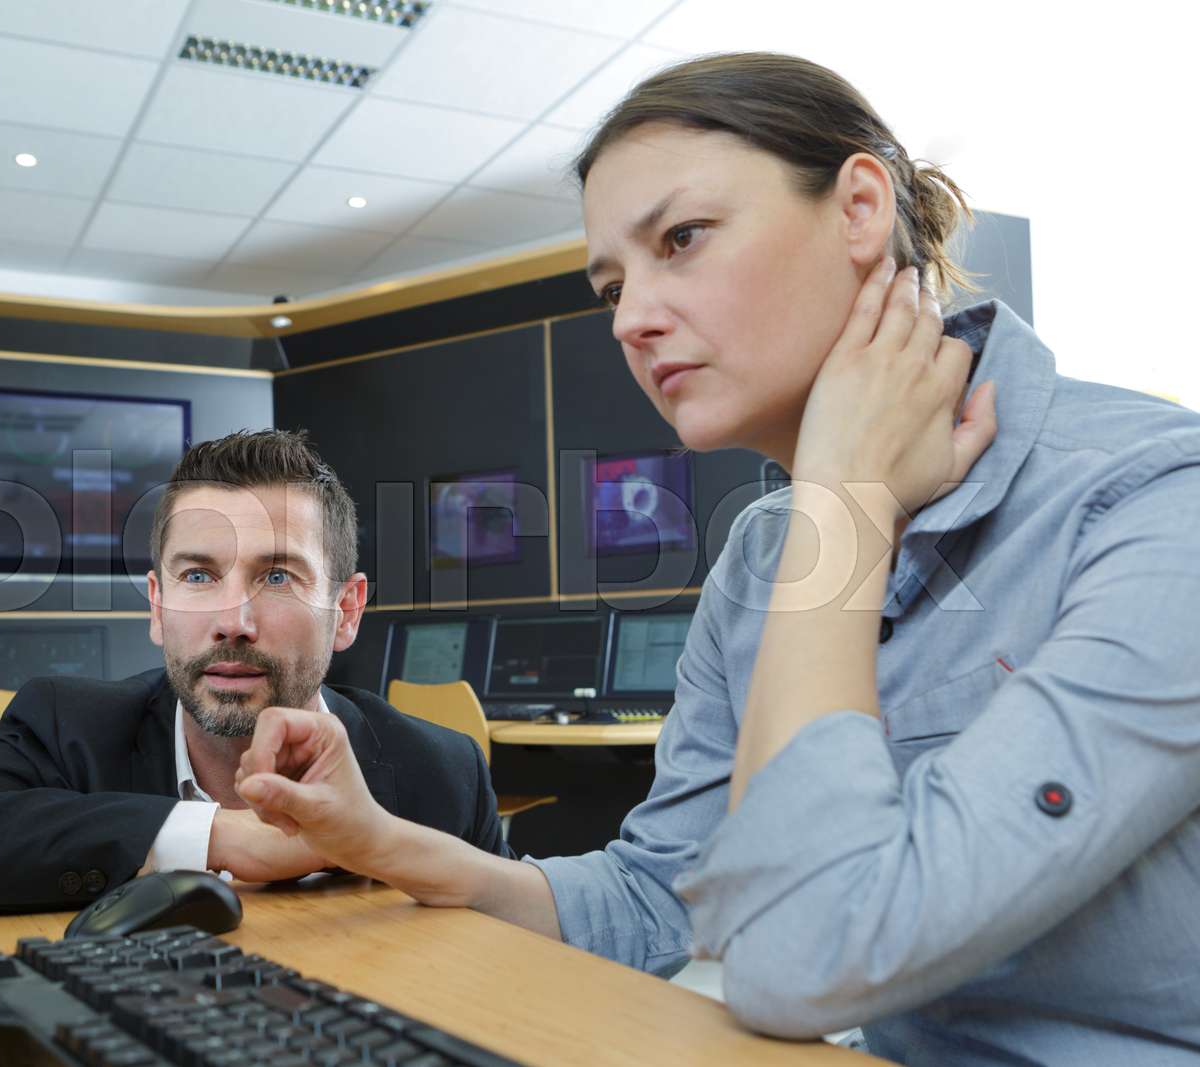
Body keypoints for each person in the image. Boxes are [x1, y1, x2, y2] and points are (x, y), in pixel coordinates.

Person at [230, 53, 1200, 1064]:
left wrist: (841, 502)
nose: (630, 318)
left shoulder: (1159, 501)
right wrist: (376, 840)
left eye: (680, 240)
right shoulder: (761, 550)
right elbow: (658, 895)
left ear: (860, 205)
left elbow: (799, 960)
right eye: (611, 284)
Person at [0, 429, 509, 918]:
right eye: (198, 574)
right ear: (156, 603)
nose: (233, 618)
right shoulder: (68, 730)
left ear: (347, 610)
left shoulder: (440, 772)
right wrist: (219, 837)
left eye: (276, 575)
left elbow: (531, 963)